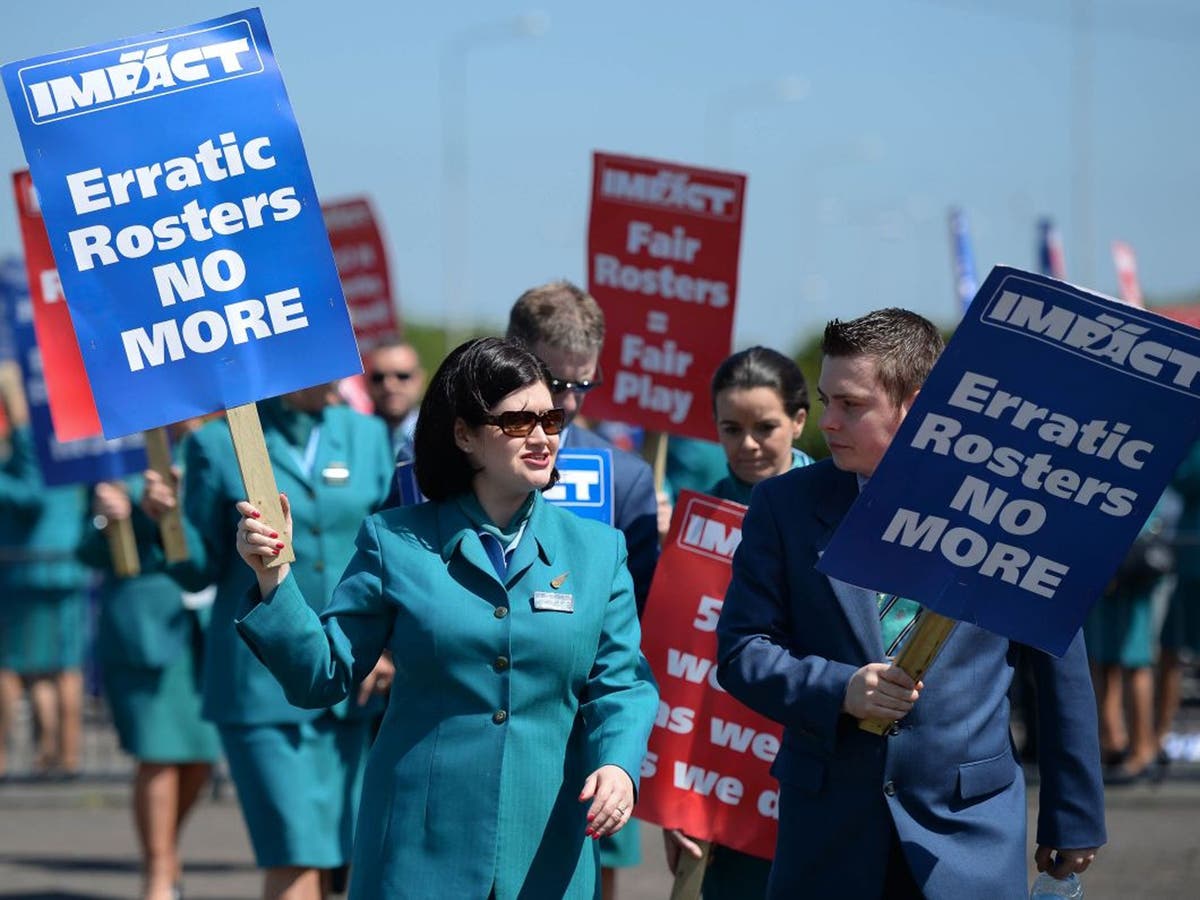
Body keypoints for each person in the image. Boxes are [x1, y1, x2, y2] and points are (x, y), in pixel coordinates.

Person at [232, 337, 658, 899]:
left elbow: (622, 684)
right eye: (517, 422)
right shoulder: (393, 539)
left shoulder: (600, 551)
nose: (541, 437)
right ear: (464, 435)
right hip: (414, 851)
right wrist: (273, 579)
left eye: (550, 419)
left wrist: (620, 766)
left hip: (548, 851)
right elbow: (323, 675)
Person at [715, 308, 1105, 898]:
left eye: (852, 404)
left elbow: (1058, 664)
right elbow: (743, 652)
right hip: (828, 835)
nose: (830, 420)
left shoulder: (1011, 508)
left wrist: (1074, 815)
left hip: (968, 831)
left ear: (918, 405)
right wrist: (839, 688)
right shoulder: (783, 507)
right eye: (826, 400)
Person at [146, 385, 395, 900]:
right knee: (296, 850)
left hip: (354, 677)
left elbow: (394, 552)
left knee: (348, 857)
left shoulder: (370, 436)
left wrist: (388, 645)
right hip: (259, 685)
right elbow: (194, 571)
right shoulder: (216, 442)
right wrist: (166, 520)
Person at [505, 280, 660, 893]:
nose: (566, 404)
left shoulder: (622, 476)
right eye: (552, 381)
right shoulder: (434, 462)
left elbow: (637, 626)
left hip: (579, 729)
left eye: (582, 385)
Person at [663, 346, 813, 896]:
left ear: (799, 420)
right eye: (731, 429)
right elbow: (678, 667)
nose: (748, 445)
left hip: (812, 771)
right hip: (719, 779)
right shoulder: (696, 518)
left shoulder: (843, 509)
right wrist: (674, 793)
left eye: (765, 427)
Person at [79, 474, 221, 900]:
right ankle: (157, 872)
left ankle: (167, 852)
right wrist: (109, 520)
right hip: (146, 629)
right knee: (159, 754)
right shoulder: (113, 468)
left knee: (201, 756)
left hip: (207, 629)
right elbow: (83, 549)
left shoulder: (212, 452)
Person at [0, 373, 88, 780]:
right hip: (63, 562)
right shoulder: (71, 435)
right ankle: (57, 753)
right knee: (55, 666)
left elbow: (31, 496)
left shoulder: (32, 437)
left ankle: (50, 753)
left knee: (14, 666)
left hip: (31, 566)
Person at [363, 338, 425, 462]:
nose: (390, 385)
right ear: (366, 382)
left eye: (402, 376)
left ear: (420, 379)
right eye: (378, 378)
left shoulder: (441, 435)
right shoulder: (352, 436)